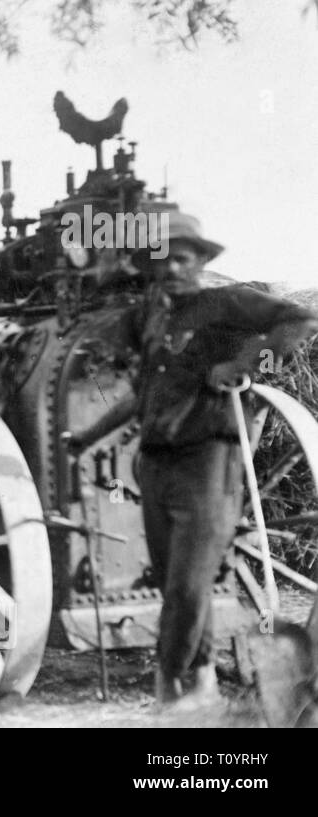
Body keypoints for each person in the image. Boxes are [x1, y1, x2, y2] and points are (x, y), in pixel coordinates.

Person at [63, 212, 318, 709]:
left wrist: (243, 364)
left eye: (182, 258)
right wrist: (87, 436)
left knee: (186, 584)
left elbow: (301, 319)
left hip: (206, 464)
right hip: (156, 468)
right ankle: (201, 681)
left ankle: (167, 685)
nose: (172, 269)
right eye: (162, 260)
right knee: (173, 582)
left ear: (200, 260)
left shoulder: (224, 304)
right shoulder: (155, 319)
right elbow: (141, 399)